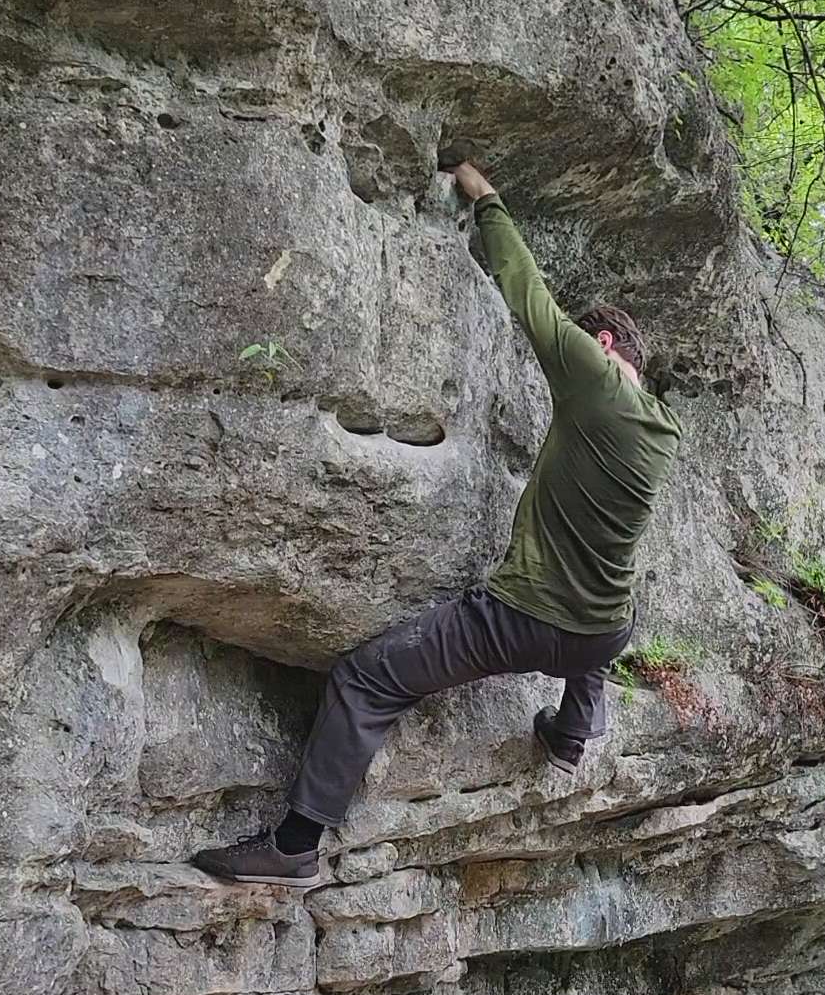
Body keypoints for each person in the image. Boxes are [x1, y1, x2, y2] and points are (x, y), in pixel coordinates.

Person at [192, 160, 682, 887]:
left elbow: (530, 296)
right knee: (606, 617)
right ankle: (574, 730)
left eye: (587, 342)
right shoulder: (664, 430)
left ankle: (295, 845)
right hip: (602, 629)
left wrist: (487, 199)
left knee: (366, 678)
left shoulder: (595, 377)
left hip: (524, 620)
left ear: (604, 346)